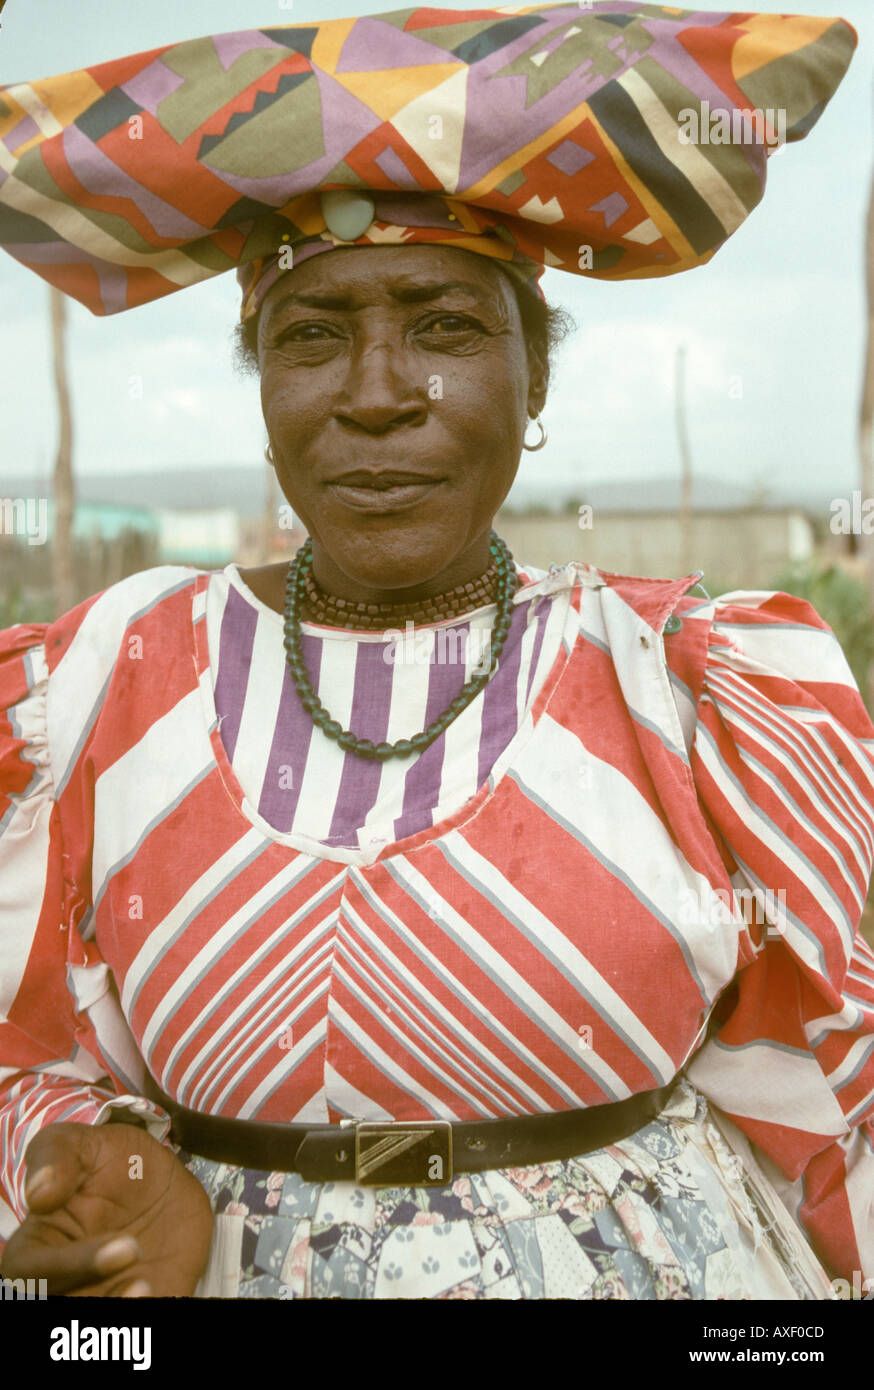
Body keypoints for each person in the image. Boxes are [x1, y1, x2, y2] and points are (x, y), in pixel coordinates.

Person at [0, 2, 872, 1300]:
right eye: (311, 335)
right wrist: (104, 1168)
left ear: (536, 387)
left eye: (446, 326)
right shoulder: (102, 679)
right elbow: (28, 1055)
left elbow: (838, 1066)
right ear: (259, 390)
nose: (374, 389)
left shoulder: (691, 679)